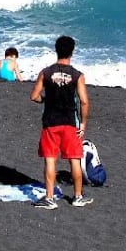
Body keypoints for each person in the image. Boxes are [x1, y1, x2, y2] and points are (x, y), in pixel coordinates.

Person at [29, 35, 92, 209]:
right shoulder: (77, 75)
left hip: (50, 121)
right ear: (72, 51)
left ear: (56, 50)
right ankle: (77, 196)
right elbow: (84, 101)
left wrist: (45, 101)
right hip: (70, 122)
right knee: (74, 159)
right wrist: (84, 123)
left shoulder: (46, 72)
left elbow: (34, 96)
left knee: (50, 160)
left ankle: (49, 198)